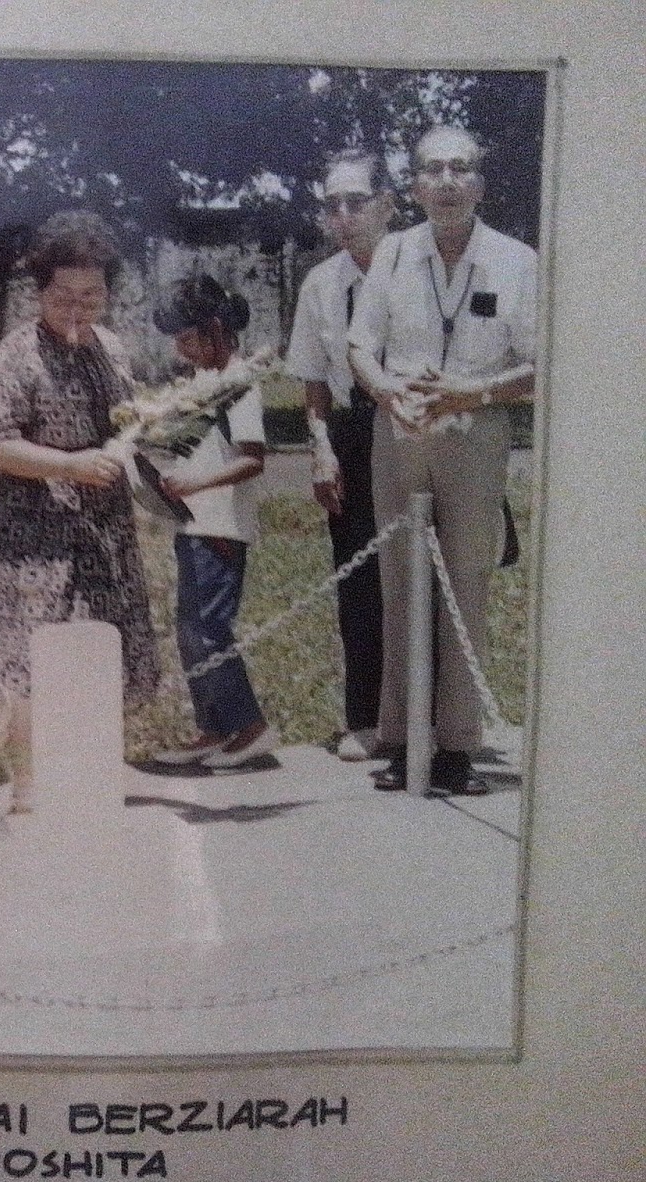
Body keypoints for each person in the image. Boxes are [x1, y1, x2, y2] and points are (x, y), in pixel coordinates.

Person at [348, 125, 538, 796]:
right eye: (435, 170)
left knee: (466, 589)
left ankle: (457, 748)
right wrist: (386, 390)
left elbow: (542, 368)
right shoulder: (393, 254)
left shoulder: (518, 261)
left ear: (479, 185)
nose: (449, 182)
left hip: (475, 437)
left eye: (462, 169)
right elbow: (360, 348)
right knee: (401, 590)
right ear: (417, 187)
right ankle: (401, 740)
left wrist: (475, 391)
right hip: (400, 435)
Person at [0, 209, 159, 796]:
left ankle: (90, 779)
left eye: (93, 295)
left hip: (101, 530)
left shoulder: (112, 348)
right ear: (40, 291)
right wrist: (70, 466)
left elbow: (129, 423)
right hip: (34, 537)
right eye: (66, 296)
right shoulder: (13, 355)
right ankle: (29, 788)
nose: (79, 309)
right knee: (35, 662)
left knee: (98, 653)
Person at [285, 150, 397, 762]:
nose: (345, 216)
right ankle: (365, 718)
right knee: (358, 579)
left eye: (357, 202)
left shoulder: (415, 268)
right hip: (350, 436)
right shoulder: (321, 284)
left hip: (411, 427)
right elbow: (313, 382)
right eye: (333, 205)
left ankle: (426, 720)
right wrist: (320, 448)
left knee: (417, 576)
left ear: (386, 204)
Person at [148, 275, 278, 770]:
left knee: (211, 628)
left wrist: (197, 487)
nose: (181, 350)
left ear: (215, 330)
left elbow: (253, 459)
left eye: (187, 338)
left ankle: (250, 725)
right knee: (190, 629)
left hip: (221, 525)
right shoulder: (204, 383)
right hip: (193, 522)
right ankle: (213, 725)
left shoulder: (239, 385)